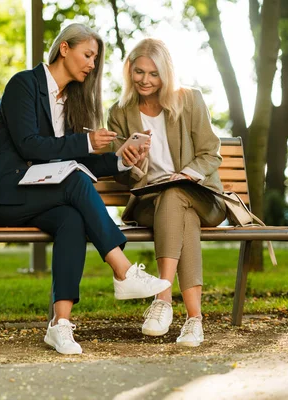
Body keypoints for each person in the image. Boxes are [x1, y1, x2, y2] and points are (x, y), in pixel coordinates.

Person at [0, 24, 171, 355]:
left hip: (42, 196)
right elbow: (29, 146)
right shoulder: (24, 84)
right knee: (75, 180)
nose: (92, 64)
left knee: (72, 220)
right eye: (87, 54)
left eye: (95, 58)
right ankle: (122, 271)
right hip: (2, 195)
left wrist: (120, 160)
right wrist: (86, 141)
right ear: (64, 49)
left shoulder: (73, 102)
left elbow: (75, 160)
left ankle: (59, 325)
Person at [107, 38, 226, 347]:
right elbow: (122, 174)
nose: (145, 80)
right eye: (139, 72)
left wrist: (186, 173)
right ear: (129, 71)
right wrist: (131, 161)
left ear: (165, 74)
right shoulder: (120, 112)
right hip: (151, 202)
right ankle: (194, 321)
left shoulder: (189, 101)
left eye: (154, 73)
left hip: (201, 197)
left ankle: (162, 299)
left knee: (177, 196)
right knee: (174, 205)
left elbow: (211, 154)